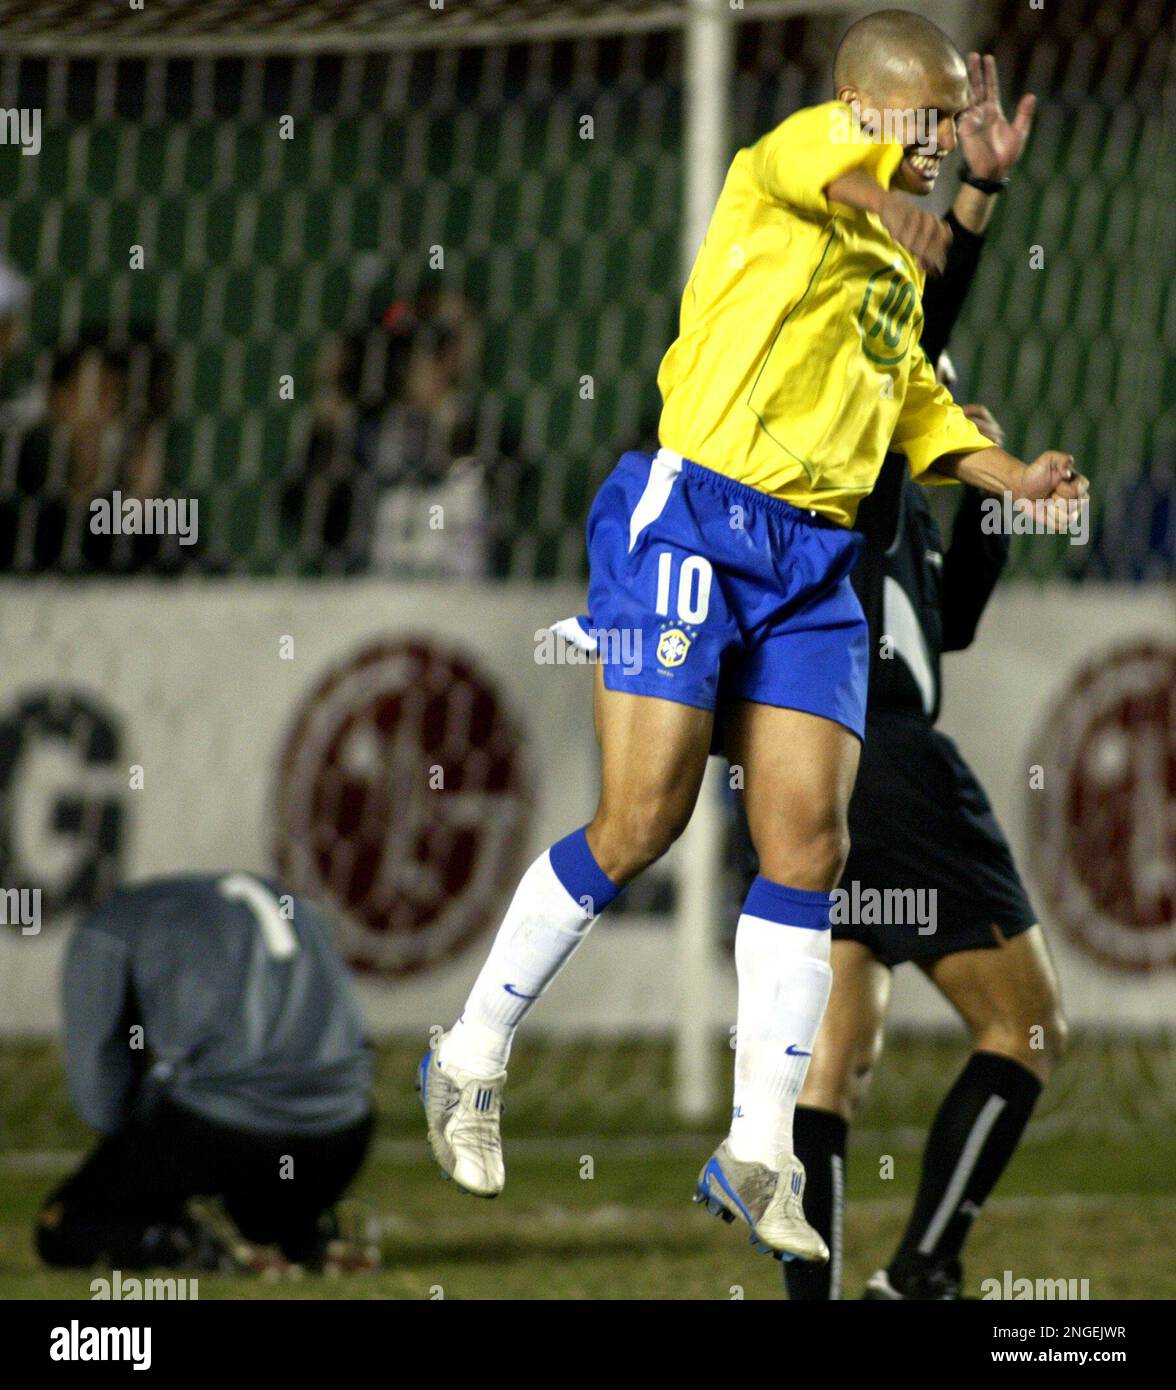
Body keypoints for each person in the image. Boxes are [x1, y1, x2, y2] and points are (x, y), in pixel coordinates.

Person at [419, 8, 1085, 1266]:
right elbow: (823, 162)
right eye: (926, 115)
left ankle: (759, 1146)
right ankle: (469, 1054)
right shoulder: (789, 167)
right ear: (865, 103)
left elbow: (917, 403)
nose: (940, 139)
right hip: (698, 526)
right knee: (642, 819)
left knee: (811, 841)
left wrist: (1010, 476)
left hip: (815, 560)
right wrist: (882, 190)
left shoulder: (896, 265)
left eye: (951, 119)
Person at [780, 48, 1068, 1300]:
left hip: (825, 759)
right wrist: (977, 202)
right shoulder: (865, 433)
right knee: (1030, 1028)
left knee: (830, 1063)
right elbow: (927, 313)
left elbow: (946, 631)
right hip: (886, 759)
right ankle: (922, 1274)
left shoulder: (885, 508)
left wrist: (997, 502)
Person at [36, 873, 376, 1274]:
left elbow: (98, 1088)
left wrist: (133, 1146)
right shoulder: (283, 899)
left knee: (65, 1228)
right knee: (260, 1212)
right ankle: (305, 1232)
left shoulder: (109, 925)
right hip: (343, 1135)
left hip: (218, 1133)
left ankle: (193, 1244)